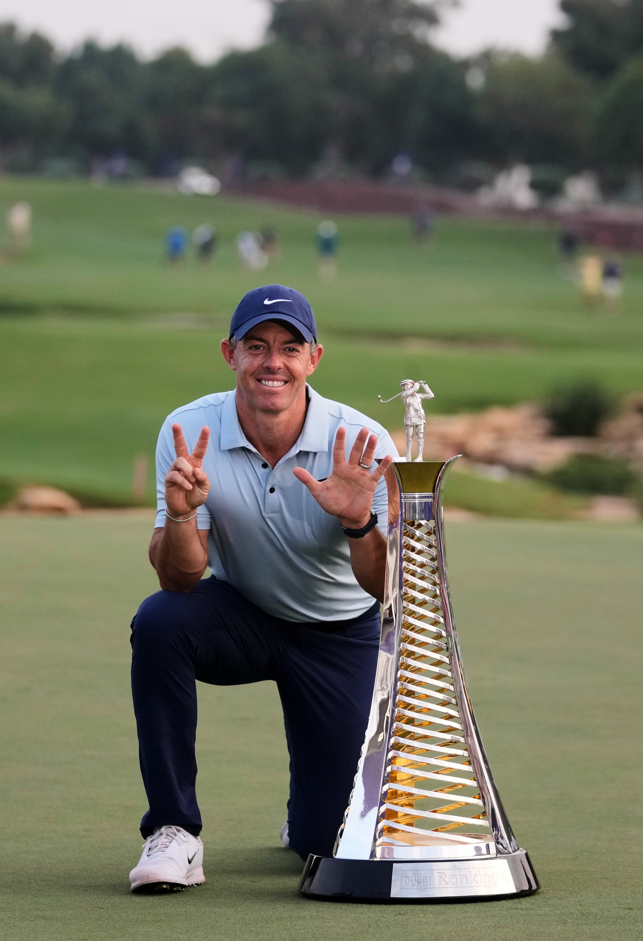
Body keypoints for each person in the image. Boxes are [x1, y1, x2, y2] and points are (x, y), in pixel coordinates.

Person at [128, 285, 396, 894]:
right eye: (256, 346)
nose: (272, 362)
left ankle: (307, 815)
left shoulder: (362, 443)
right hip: (242, 612)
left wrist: (358, 521)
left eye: (289, 348)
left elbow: (388, 590)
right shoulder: (187, 429)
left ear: (314, 359)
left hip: (338, 632)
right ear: (230, 354)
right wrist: (180, 515)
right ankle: (174, 832)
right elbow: (179, 579)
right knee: (161, 620)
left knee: (323, 840)